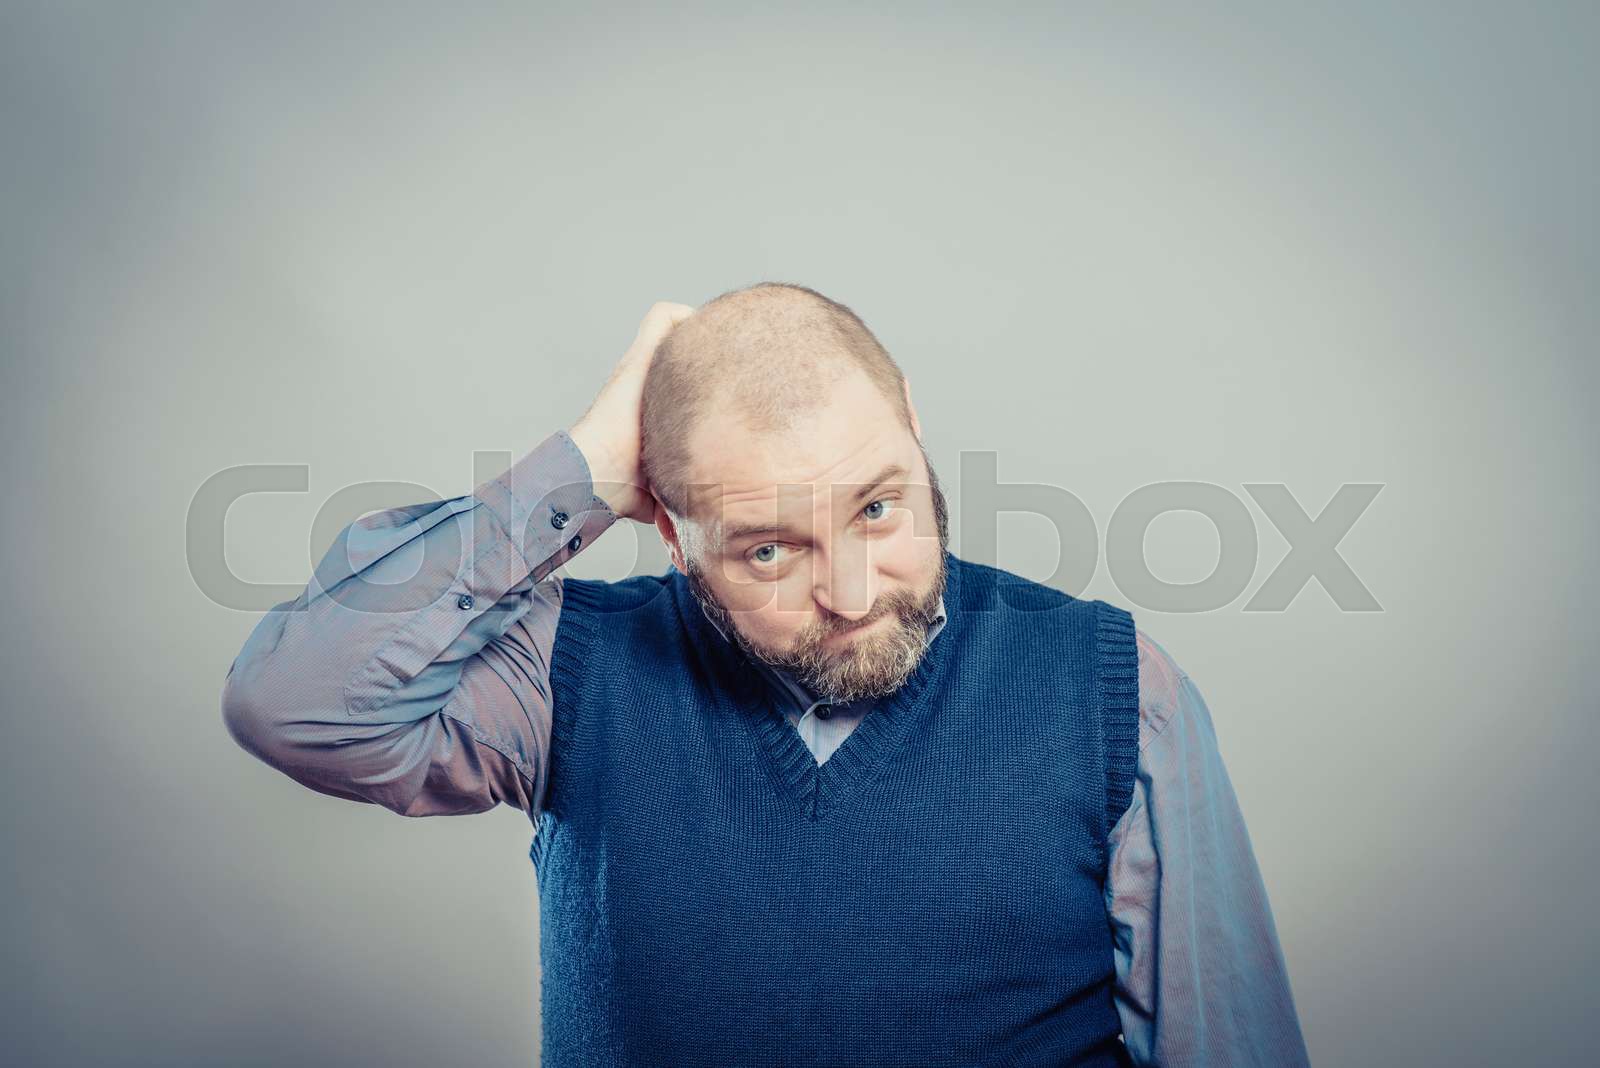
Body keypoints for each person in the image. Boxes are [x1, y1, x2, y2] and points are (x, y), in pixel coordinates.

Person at [222, 283, 1310, 1067]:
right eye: (768, 550)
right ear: (671, 529)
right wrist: (585, 469)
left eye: (877, 508)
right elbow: (295, 701)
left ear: (916, 430)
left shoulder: (1112, 684)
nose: (849, 592)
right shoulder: (569, 676)